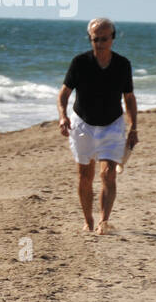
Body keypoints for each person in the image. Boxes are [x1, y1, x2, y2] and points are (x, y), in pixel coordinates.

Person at [56, 17, 137, 234]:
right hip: (82, 124)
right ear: (90, 39)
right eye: (95, 39)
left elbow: (129, 97)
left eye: (104, 39)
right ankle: (88, 219)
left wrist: (134, 128)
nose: (99, 43)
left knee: (108, 173)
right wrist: (63, 117)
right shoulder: (80, 63)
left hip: (113, 124)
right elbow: (64, 94)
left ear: (112, 38)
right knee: (85, 175)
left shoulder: (122, 65)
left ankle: (104, 221)